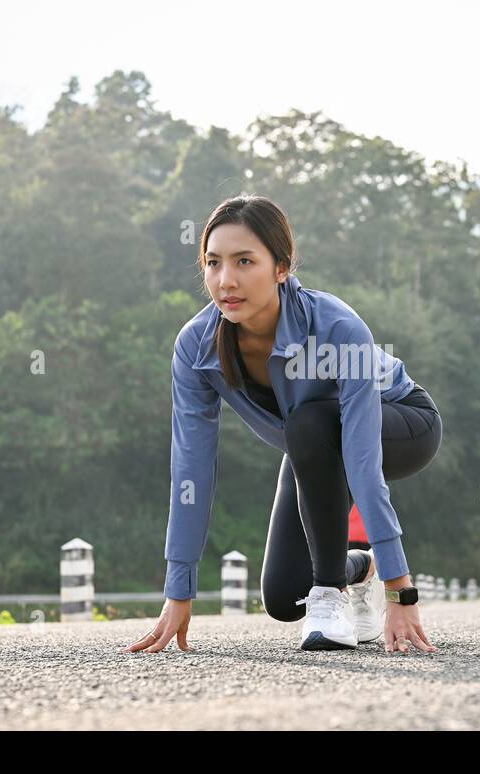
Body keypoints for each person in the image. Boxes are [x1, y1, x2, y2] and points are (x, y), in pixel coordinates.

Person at [125, 194, 443, 654]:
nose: (226, 280)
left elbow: (362, 461)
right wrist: (179, 594)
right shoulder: (196, 348)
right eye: (213, 263)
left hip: (403, 423)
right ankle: (359, 571)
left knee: (311, 421)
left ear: (281, 267)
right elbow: (191, 470)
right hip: (311, 445)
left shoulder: (336, 327)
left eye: (244, 261)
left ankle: (331, 594)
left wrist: (401, 590)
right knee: (282, 596)